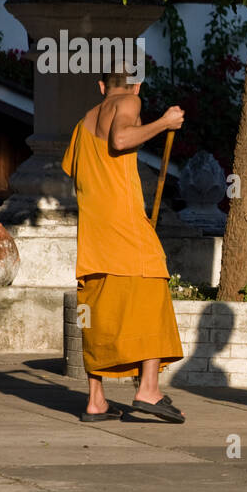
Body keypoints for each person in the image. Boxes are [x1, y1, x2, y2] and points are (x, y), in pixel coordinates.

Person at [62, 71, 186, 423]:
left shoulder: (82, 122)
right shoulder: (130, 101)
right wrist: (164, 122)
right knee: (153, 291)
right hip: (125, 224)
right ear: (136, 84)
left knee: (97, 310)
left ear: (102, 86)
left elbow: (77, 170)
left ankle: (96, 400)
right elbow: (120, 139)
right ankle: (148, 389)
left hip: (94, 231)